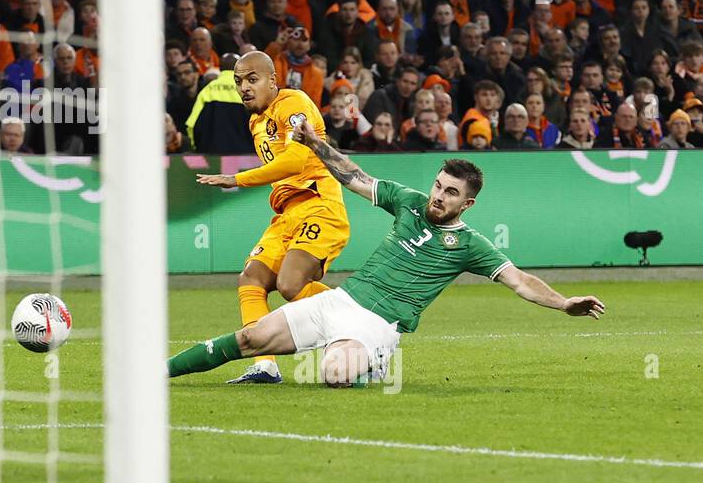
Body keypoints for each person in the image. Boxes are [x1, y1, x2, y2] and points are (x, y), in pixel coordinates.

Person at [170, 127, 605, 386]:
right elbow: (354, 177)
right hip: (340, 300)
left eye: (450, 192)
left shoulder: (470, 244)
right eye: (438, 185)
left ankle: (376, 358)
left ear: (467, 205)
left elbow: (519, 280)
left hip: (377, 323)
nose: (439, 195)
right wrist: (315, 144)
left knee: (335, 375)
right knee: (249, 339)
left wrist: (564, 302)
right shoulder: (410, 202)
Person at [194, 51, 351, 385]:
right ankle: (264, 364)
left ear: (272, 80)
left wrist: (237, 178)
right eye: (238, 81)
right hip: (286, 214)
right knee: (251, 279)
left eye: (252, 79)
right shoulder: (255, 121)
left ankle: (358, 322)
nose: (244, 88)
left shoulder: (294, 104)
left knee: (290, 285)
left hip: (318, 204)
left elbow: (296, 162)